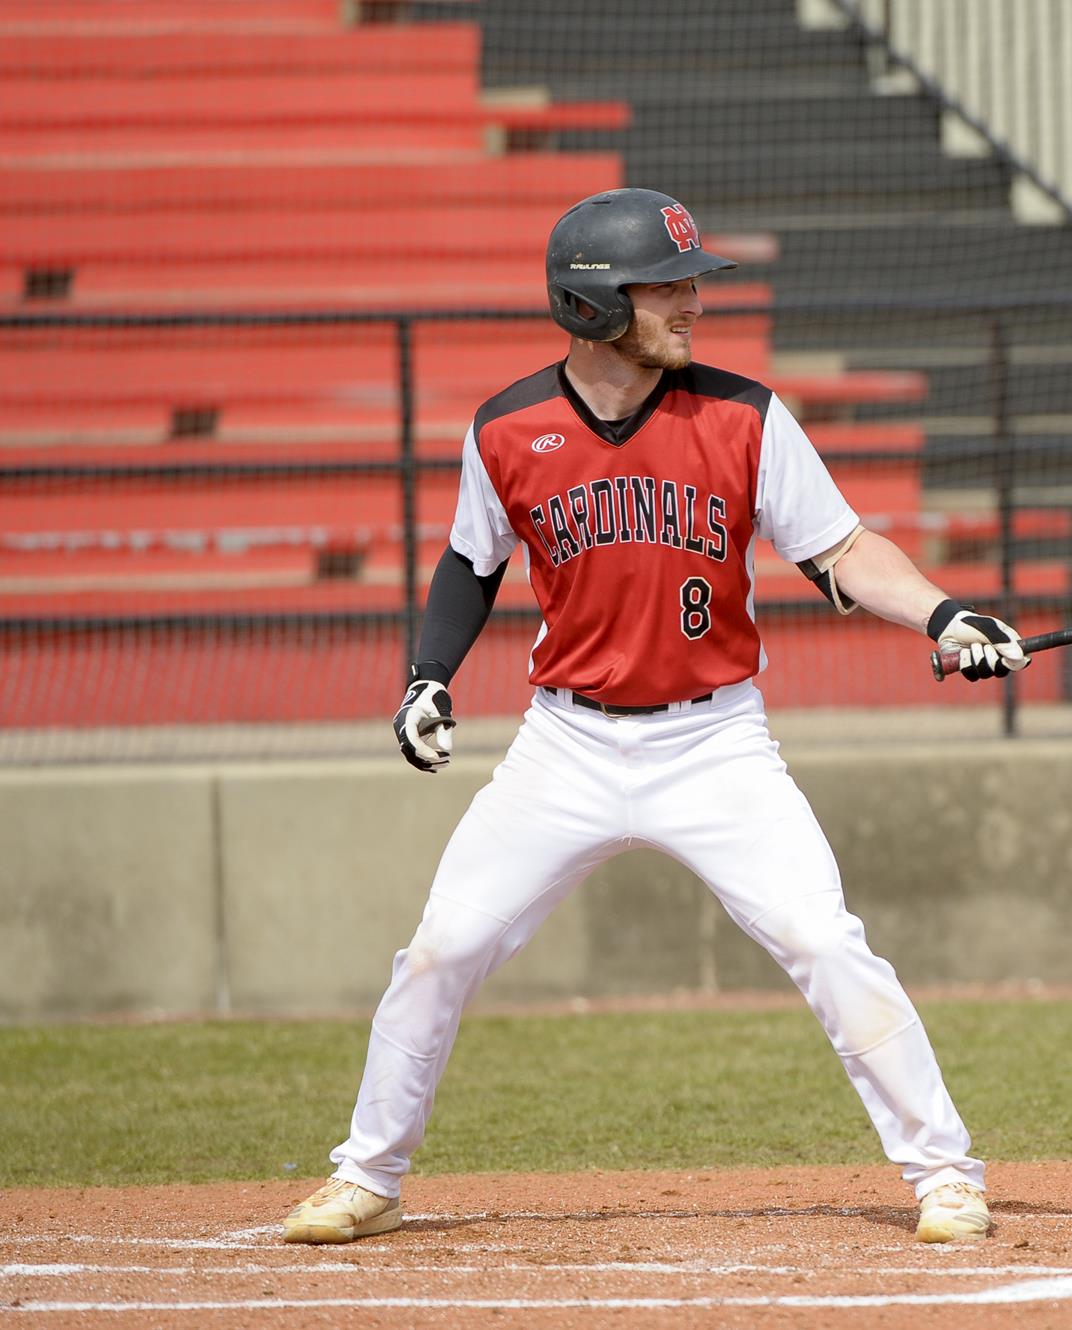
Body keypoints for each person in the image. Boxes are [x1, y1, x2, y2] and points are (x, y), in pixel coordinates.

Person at [282, 187, 1028, 1247]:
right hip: (566, 745)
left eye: (690, 282)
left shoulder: (743, 416)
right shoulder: (506, 429)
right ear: (591, 304)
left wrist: (945, 613)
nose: (690, 302)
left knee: (823, 937)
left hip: (713, 740)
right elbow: (467, 561)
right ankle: (369, 1174)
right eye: (664, 285)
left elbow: (845, 549)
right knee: (442, 948)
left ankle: (945, 1173)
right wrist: (426, 676)